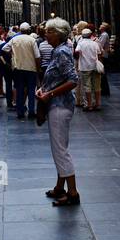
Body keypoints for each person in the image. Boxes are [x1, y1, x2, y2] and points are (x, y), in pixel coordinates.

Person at [37, 18, 80, 206]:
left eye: (48, 31)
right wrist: (44, 90)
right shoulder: (58, 50)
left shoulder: (61, 51)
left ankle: (72, 192)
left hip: (59, 106)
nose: (45, 34)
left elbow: (73, 79)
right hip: (57, 104)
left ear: (58, 33)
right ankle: (59, 187)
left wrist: (49, 94)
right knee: (60, 147)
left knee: (60, 151)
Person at [8, 23, 40, 120]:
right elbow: (37, 56)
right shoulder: (32, 40)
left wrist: (13, 55)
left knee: (20, 90)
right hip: (31, 68)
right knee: (31, 90)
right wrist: (38, 68)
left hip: (18, 68)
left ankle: (20, 111)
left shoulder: (14, 39)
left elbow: (5, 48)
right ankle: (31, 111)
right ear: (29, 30)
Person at [75, 27, 102, 111]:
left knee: (87, 86)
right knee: (97, 86)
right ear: (90, 35)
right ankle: (97, 104)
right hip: (95, 66)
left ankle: (89, 105)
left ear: (82, 36)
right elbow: (99, 53)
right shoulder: (94, 43)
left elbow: (76, 52)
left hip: (85, 67)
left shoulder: (80, 43)